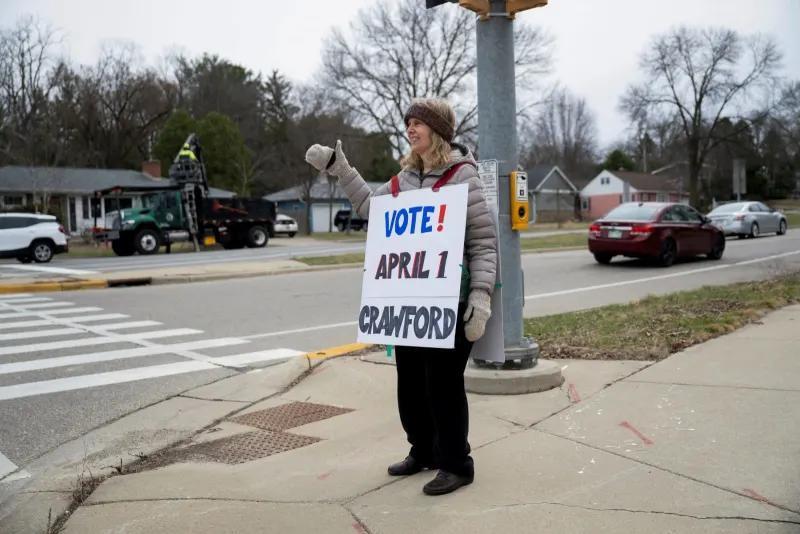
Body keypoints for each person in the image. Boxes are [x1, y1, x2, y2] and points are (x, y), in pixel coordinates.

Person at [305, 97, 497, 496]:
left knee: (443, 384)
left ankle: (456, 464)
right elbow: (368, 208)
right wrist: (339, 168)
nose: (410, 129)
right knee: (410, 383)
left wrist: (481, 296)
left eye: (418, 123)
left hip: (452, 300)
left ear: (438, 131)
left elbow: (483, 243)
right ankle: (423, 451)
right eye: (408, 123)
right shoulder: (405, 179)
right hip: (411, 302)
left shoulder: (464, 178)